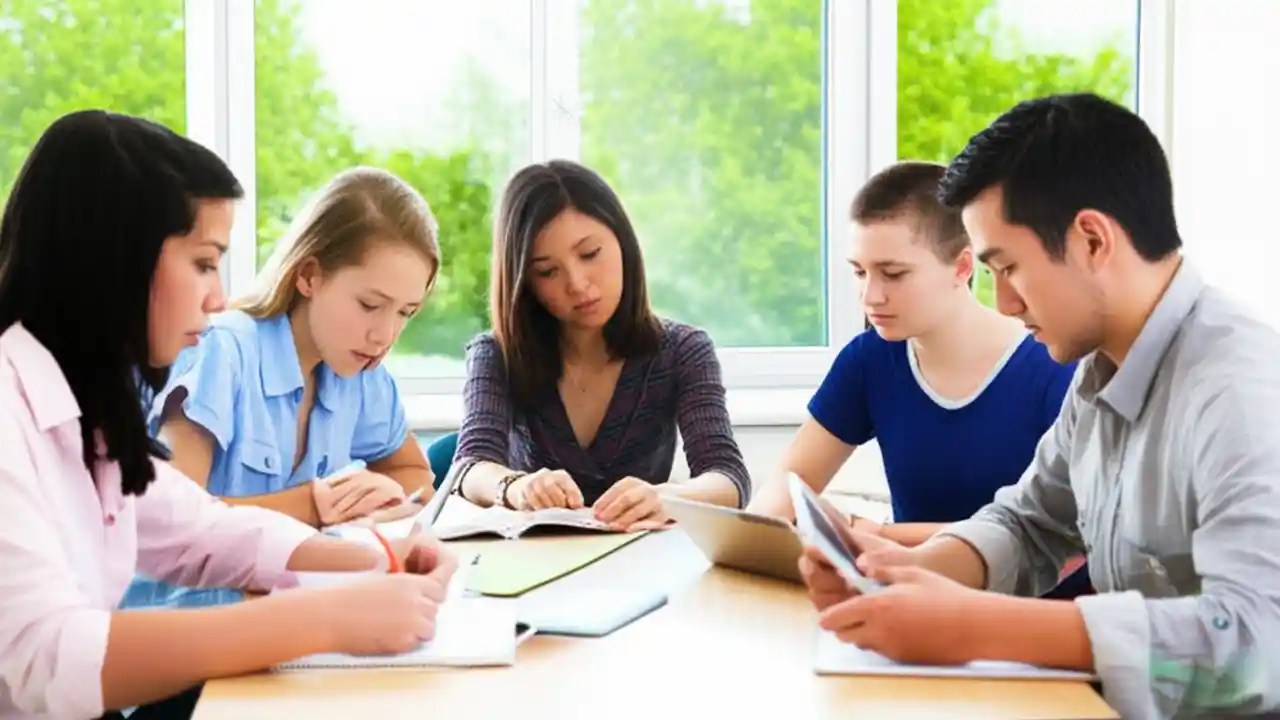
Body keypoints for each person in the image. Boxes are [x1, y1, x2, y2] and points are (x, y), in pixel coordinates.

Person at [798, 93, 1280, 719]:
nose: (1003, 303)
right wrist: (909, 572)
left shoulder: (1240, 390)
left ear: (1091, 240)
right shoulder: (1101, 372)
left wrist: (975, 626)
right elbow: (1030, 522)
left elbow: (1259, 647)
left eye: (1008, 268)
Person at [0, 110, 456, 720]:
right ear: (117, 258)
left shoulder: (85, 412)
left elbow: (202, 530)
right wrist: (322, 617)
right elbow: (49, 660)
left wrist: (380, 562)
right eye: (203, 263)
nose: (218, 298)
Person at [122, 166, 441, 611]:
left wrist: (376, 500)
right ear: (309, 275)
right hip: (185, 618)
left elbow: (416, 476)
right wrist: (314, 505)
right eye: (370, 305)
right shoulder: (220, 352)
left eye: (406, 312)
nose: (385, 335)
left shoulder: (360, 372)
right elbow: (173, 523)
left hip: (286, 611)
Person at [747, 162, 1077, 563]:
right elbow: (787, 485)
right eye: (860, 272)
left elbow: (1054, 533)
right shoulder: (869, 359)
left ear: (962, 267)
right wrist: (763, 529)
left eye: (893, 274)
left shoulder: (1055, 369)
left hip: (1032, 596)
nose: (870, 296)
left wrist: (879, 534)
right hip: (908, 586)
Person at [453, 160, 750, 530]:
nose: (577, 284)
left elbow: (728, 477)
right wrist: (515, 487)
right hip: (534, 557)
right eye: (547, 271)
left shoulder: (683, 350)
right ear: (524, 281)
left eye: (590, 253)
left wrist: (667, 498)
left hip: (639, 555)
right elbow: (469, 466)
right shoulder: (497, 354)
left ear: (623, 242)